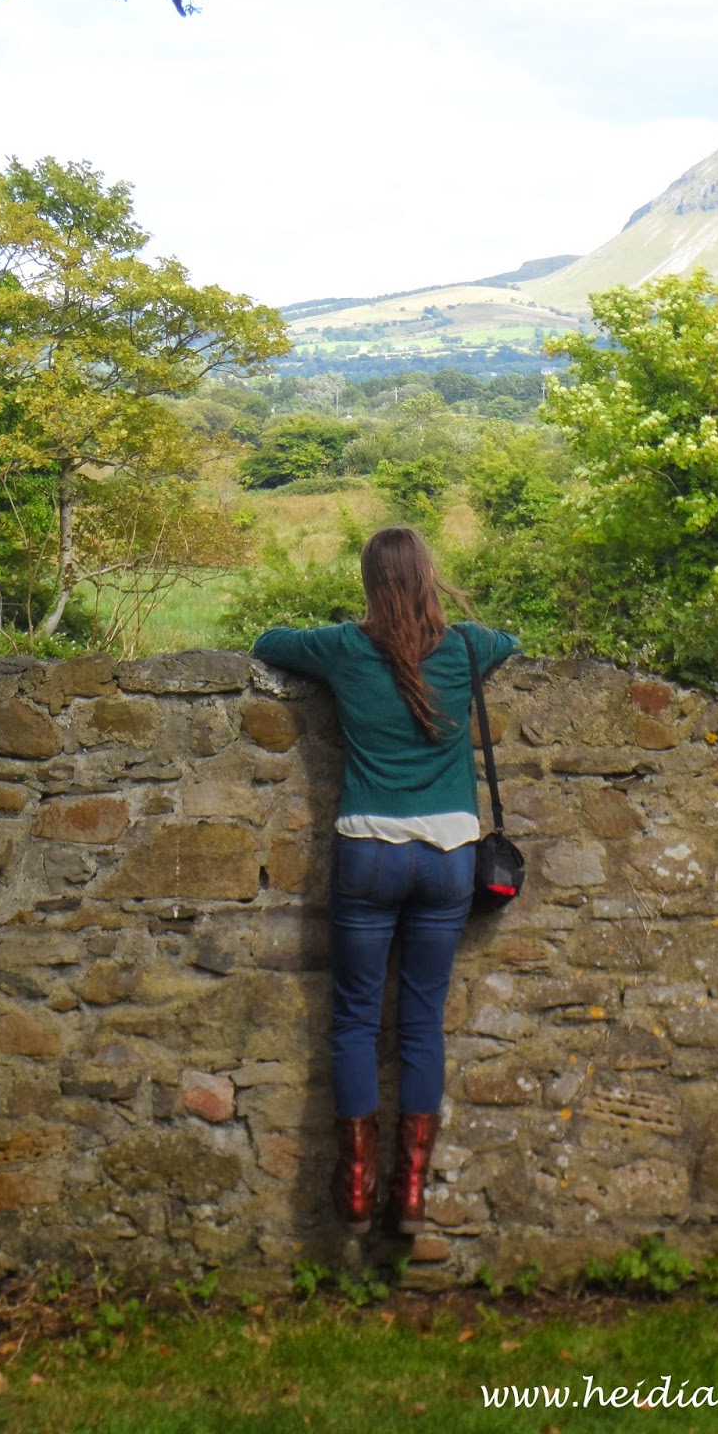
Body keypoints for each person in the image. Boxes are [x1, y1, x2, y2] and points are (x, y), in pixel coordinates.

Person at [251, 526, 521, 1236]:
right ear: (429, 575)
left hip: (369, 853)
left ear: (370, 581)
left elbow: (268, 643)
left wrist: (346, 630)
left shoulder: (342, 648)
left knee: (353, 1021)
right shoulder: (466, 649)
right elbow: (512, 641)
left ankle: (358, 1186)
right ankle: (411, 1193)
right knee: (421, 1024)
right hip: (448, 859)